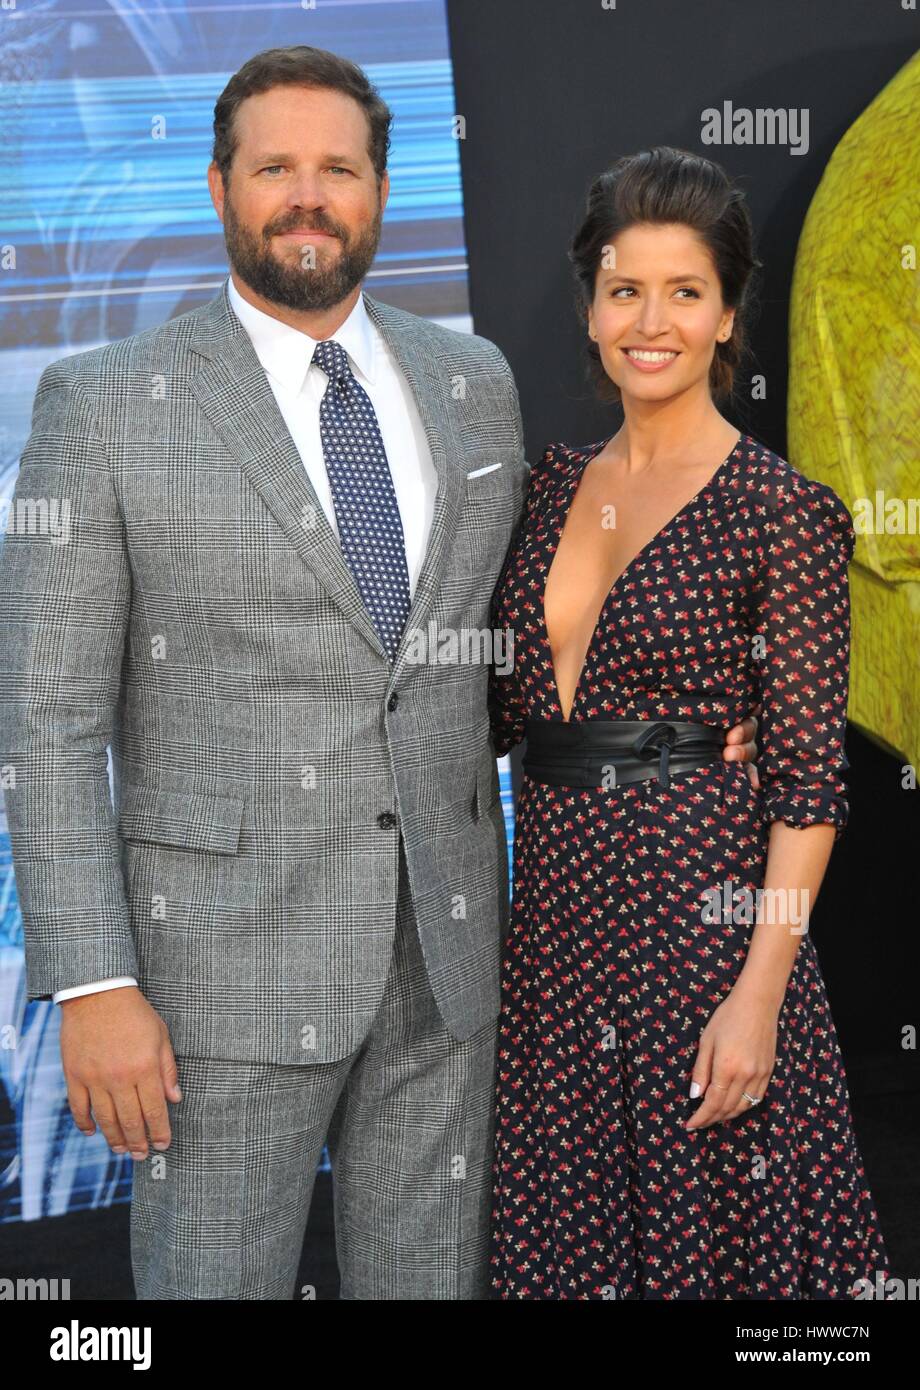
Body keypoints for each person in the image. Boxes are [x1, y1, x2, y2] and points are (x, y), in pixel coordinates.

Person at [0, 52, 756, 1301]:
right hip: (214, 989)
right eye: (275, 169)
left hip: (450, 963)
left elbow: (506, 649)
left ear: (379, 190)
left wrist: (655, 731)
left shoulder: (473, 383)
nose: (308, 196)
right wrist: (94, 983)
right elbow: (48, 716)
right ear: (218, 186)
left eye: (336, 168)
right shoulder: (106, 405)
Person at [487, 146, 892, 1300]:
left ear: (726, 316)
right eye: (625, 290)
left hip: (700, 928)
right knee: (574, 1233)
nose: (649, 320)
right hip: (557, 930)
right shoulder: (546, 485)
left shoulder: (782, 512)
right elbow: (496, 705)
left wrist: (758, 989)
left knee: (714, 1243)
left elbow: (810, 787)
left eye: (684, 292)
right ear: (590, 306)